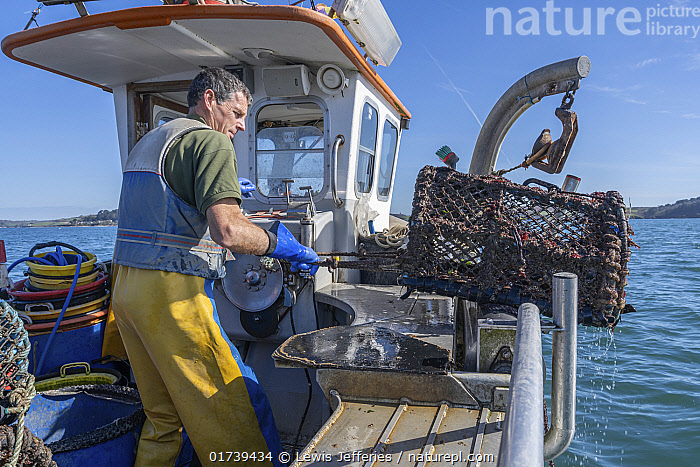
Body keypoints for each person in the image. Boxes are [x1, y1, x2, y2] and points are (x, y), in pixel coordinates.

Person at [110, 67, 319, 466]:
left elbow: (170, 212)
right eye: (238, 113)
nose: (242, 126)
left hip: (125, 292)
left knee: (163, 417)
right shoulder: (211, 142)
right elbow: (226, 231)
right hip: (170, 297)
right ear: (210, 101)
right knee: (238, 407)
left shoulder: (152, 140)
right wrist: (279, 245)